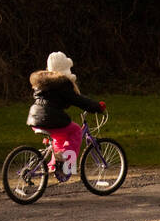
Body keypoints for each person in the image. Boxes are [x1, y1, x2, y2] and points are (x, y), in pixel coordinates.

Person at [26, 51, 106, 180]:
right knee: (75, 130)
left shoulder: (44, 82)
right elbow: (77, 99)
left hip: (34, 117)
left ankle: (54, 165)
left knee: (60, 135)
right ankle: (66, 166)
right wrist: (95, 107)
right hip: (49, 117)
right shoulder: (62, 83)